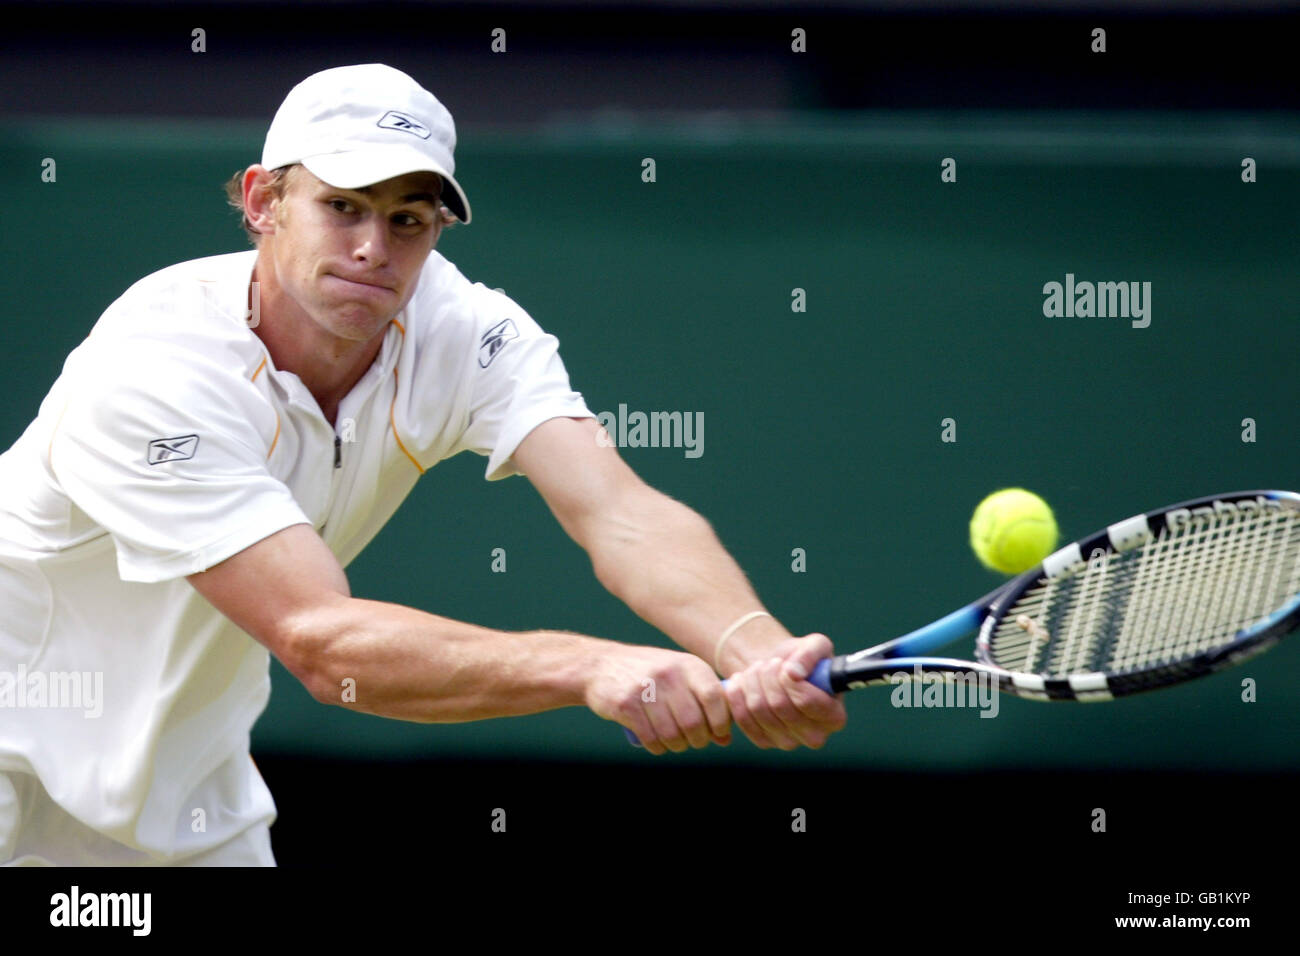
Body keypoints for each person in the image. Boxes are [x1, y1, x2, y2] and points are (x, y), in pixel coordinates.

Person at [0, 63, 845, 866]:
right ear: (264, 202)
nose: (375, 246)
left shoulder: (467, 330)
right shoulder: (157, 371)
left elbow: (620, 513)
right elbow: (323, 645)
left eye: (408, 219)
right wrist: (593, 667)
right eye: (342, 206)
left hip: (180, 802)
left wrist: (756, 651)